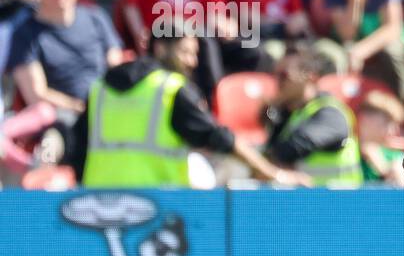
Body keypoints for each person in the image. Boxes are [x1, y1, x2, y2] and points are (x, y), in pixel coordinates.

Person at [69, 26, 305, 187]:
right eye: (186, 52)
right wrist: (272, 173)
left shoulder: (101, 88)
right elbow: (219, 138)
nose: (192, 62)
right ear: (160, 48)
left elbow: (77, 148)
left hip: (98, 202)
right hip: (155, 205)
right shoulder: (169, 88)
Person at [6, 0, 123, 157]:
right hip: (60, 118)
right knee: (53, 143)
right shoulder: (24, 34)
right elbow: (36, 94)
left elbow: (117, 66)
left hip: (107, 110)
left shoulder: (97, 18)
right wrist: (78, 107)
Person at [263, 46, 363, 187]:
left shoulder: (331, 113)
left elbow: (289, 150)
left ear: (310, 75)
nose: (277, 82)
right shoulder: (293, 114)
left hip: (340, 204)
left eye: (284, 75)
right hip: (310, 202)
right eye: (275, 75)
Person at [356, 88, 404, 186]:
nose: (393, 131)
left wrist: (385, 171)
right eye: (387, 122)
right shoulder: (347, 152)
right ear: (364, 119)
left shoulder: (396, 158)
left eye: (396, 125)